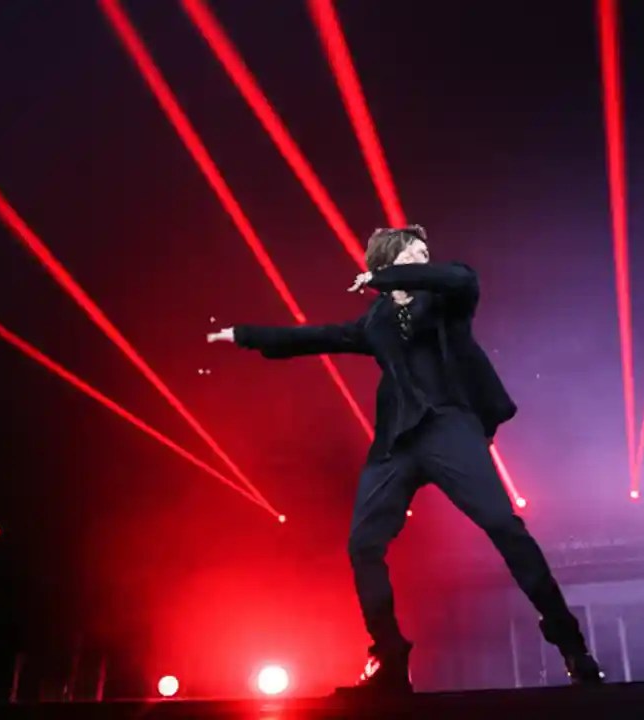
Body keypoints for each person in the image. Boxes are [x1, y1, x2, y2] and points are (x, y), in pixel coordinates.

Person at [208, 226, 602, 693]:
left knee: (504, 526)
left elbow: (458, 278)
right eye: (416, 253)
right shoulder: (374, 322)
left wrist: (387, 275)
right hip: (396, 444)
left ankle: (570, 644)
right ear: (393, 260)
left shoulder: (444, 302)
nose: (426, 259)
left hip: (448, 427)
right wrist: (246, 335)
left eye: (425, 255)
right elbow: (313, 337)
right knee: (363, 546)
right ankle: (389, 658)